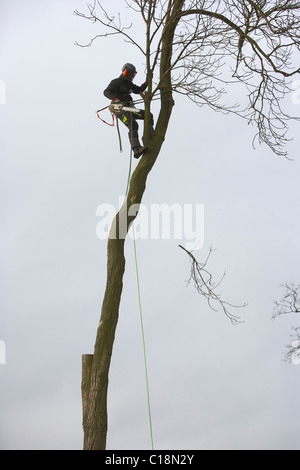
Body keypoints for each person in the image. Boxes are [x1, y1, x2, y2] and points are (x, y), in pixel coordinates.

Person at [103, 63, 154, 159]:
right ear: (125, 72)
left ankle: (150, 135)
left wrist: (147, 81)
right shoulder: (116, 82)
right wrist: (115, 99)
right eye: (130, 74)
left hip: (129, 108)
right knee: (133, 124)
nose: (132, 77)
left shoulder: (129, 84)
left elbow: (139, 89)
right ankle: (136, 149)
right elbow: (106, 92)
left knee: (148, 115)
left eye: (133, 75)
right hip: (119, 108)